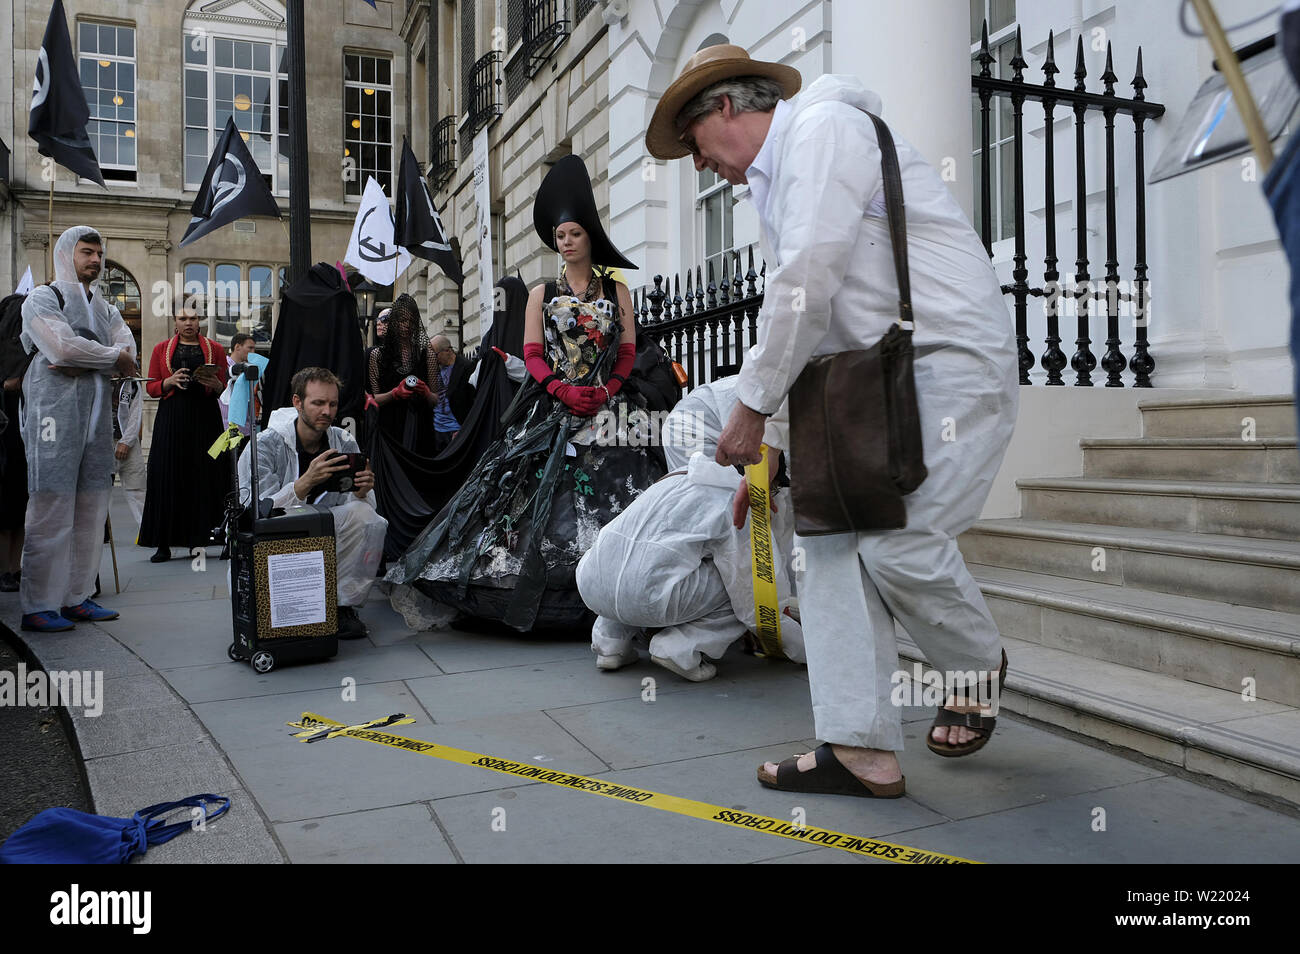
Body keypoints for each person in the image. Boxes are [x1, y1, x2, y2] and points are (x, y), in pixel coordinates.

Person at [646, 46, 1018, 796]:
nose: (696, 164)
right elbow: (805, 315)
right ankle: (859, 749)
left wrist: (751, 411)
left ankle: (976, 663)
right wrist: (773, 453)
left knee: (899, 545)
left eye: (691, 144)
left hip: (945, 366)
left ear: (723, 107)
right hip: (868, 382)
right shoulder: (783, 177)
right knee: (831, 553)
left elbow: (805, 280)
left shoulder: (822, 129)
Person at [387, 154, 664, 632]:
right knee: (523, 490)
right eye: (560, 236)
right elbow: (532, 353)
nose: (567, 242)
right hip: (553, 406)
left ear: (590, 236)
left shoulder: (618, 290)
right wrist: (559, 389)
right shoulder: (541, 292)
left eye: (574, 233)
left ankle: (620, 586)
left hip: (609, 406)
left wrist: (608, 389)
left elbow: (627, 351)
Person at [576, 375, 805, 681]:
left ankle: (610, 643)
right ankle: (679, 646)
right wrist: (801, 646)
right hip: (651, 598)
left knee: (638, 559)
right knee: (738, 580)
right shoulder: (730, 500)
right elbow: (753, 598)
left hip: (591, 585)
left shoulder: (672, 482)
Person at [18, 226, 137, 631]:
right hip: (54, 416)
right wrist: (107, 357)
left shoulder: (105, 308)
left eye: (99, 254)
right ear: (67, 254)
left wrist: (90, 359)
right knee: (51, 506)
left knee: (92, 508)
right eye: (87, 252)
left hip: (96, 418)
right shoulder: (41, 298)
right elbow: (61, 347)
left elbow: (128, 351)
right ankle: (38, 604)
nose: (96, 261)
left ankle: (77, 596)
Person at [237, 367, 386, 639]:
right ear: (297, 402)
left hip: (323, 532)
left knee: (366, 517)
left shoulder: (342, 441)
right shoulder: (264, 446)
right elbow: (256, 512)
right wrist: (305, 482)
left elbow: (362, 508)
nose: (327, 411)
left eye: (332, 404)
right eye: (318, 403)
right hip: (275, 543)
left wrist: (363, 491)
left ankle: (342, 605)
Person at [138, 307, 230, 563]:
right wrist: (169, 382)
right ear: (175, 322)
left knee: (205, 473)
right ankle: (163, 543)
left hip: (205, 418)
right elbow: (152, 387)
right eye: (183, 318)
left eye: (193, 318)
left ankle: (199, 539)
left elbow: (224, 388)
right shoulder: (160, 349)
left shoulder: (216, 349)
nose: (188, 323)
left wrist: (217, 385)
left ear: (199, 321)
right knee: (167, 473)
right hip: (172, 417)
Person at [367, 294, 440, 457]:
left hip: (420, 430)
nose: (406, 325)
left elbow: (436, 399)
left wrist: (426, 392)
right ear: (394, 322)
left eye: (411, 321)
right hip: (389, 430)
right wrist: (395, 394)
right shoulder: (377, 355)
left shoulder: (427, 354)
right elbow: (374, 398)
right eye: (401, 320)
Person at [429, 334, 475, 453]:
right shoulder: (434, 370)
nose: (432, 359)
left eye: (434, 355)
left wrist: (464, 430)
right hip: (437, 430)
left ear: (447, 351)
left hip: (456, 430)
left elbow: (473, 402)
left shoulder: (467, 368)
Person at [113, 376, 146, 529]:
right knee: (97, 493)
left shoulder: (131, 383)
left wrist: (126, 441)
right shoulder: (94, 376)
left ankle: (146, 529)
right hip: (101, 443)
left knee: (137, 487)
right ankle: (99, 532)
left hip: (128, 441)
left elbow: (136, 413)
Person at [225, 332, 269, 434]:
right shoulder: (223, 366)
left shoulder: (254, 369)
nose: (253, 352)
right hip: (227, 425)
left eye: (254, 348)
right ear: (237, 347)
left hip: (248, 427)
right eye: (250, 348)